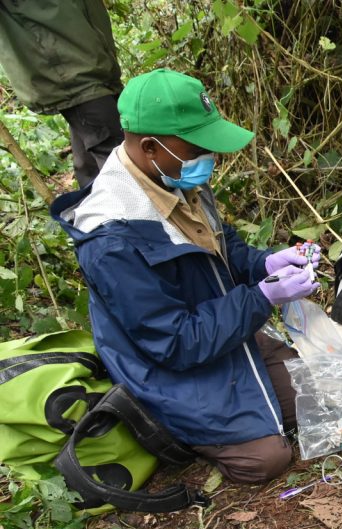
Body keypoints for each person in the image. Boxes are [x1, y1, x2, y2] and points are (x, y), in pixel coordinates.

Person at [51, 68, 320, 484]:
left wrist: (265, 264)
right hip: (165, 362)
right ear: (150, 146)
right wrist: (262, 298)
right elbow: (174, 343)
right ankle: (171, 428)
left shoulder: (174, 175)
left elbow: (223, 247)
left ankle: (245, 386)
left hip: (213, 323)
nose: (209, 158)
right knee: (266, 459)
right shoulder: (111, 240)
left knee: (315, 391)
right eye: (199, 147)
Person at [0, 0, 125, 187]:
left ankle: (97, 212)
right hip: (68, 71)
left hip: (92, 63)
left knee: (93, 166)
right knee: (123, 160)